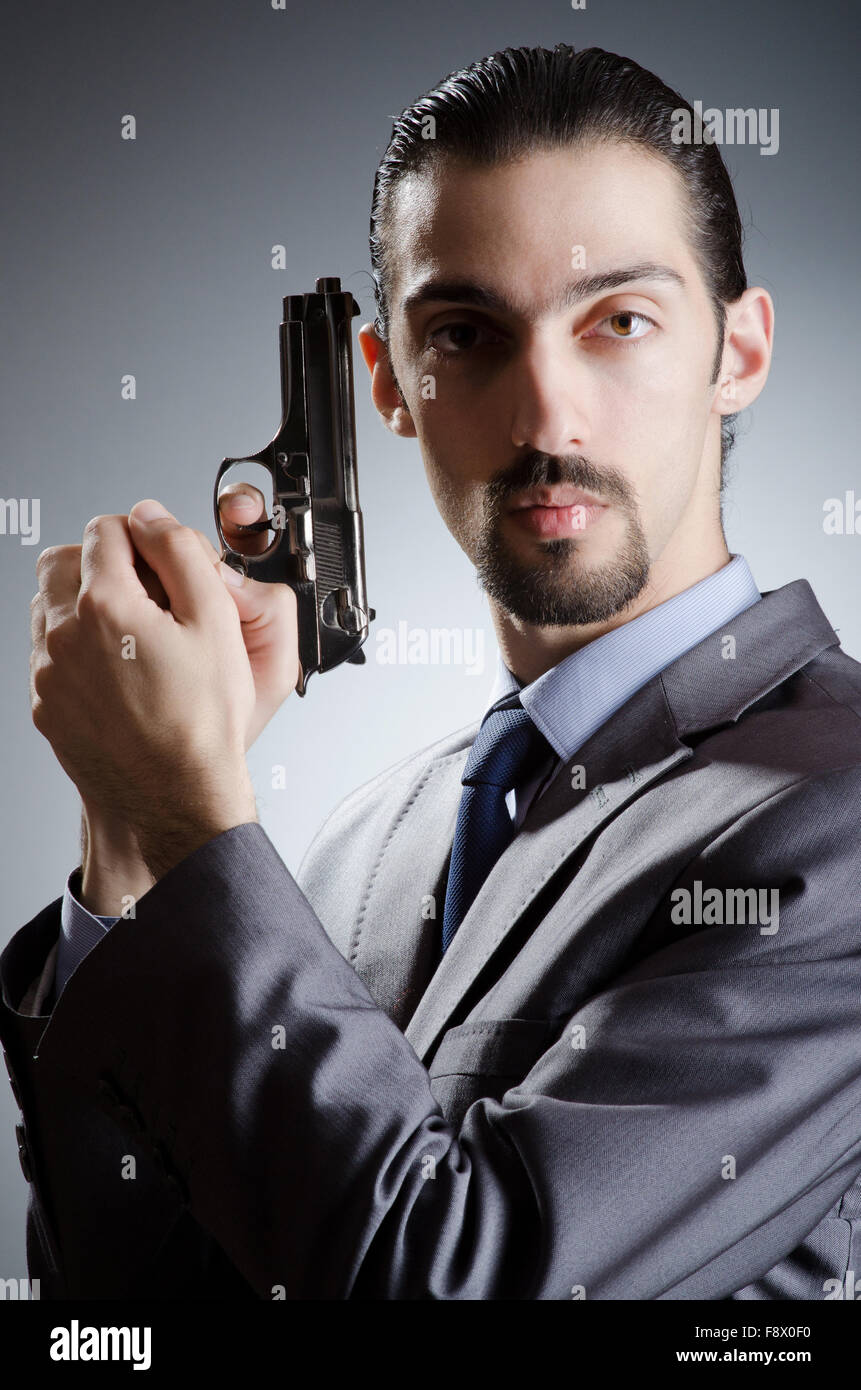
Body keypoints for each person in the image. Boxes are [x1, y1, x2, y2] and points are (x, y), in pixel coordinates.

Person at [2, 44, 860, 1301]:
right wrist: (134, 844)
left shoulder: (837, 826)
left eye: (619, 321)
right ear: (390, 385)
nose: (547, 415)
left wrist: (196, 833)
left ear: (738, 352)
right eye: (468, 333)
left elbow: (458, 1286)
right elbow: (135, 1317)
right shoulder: (361, 846)